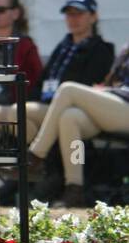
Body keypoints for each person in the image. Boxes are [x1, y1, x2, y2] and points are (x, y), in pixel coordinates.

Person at [0, 0, 113, 138]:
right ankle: (22, 156)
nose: (73, 19)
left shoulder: (102, 49)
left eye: (78, 14)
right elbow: (41, 80)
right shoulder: (63, 47)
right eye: (69, 14)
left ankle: (31, 156)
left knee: (18, 113)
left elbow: (87, 85)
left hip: (70, 108)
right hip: (45, 103)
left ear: (93, 17)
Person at [27, 43, 129, 207]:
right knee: (70, 117)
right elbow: (114, 81)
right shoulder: (126, 48)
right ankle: (75, 188)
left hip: (124, 106)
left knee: (68, 89)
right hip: (117, 105)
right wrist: (104, 89)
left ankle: (36, 155)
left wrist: (108, 92)